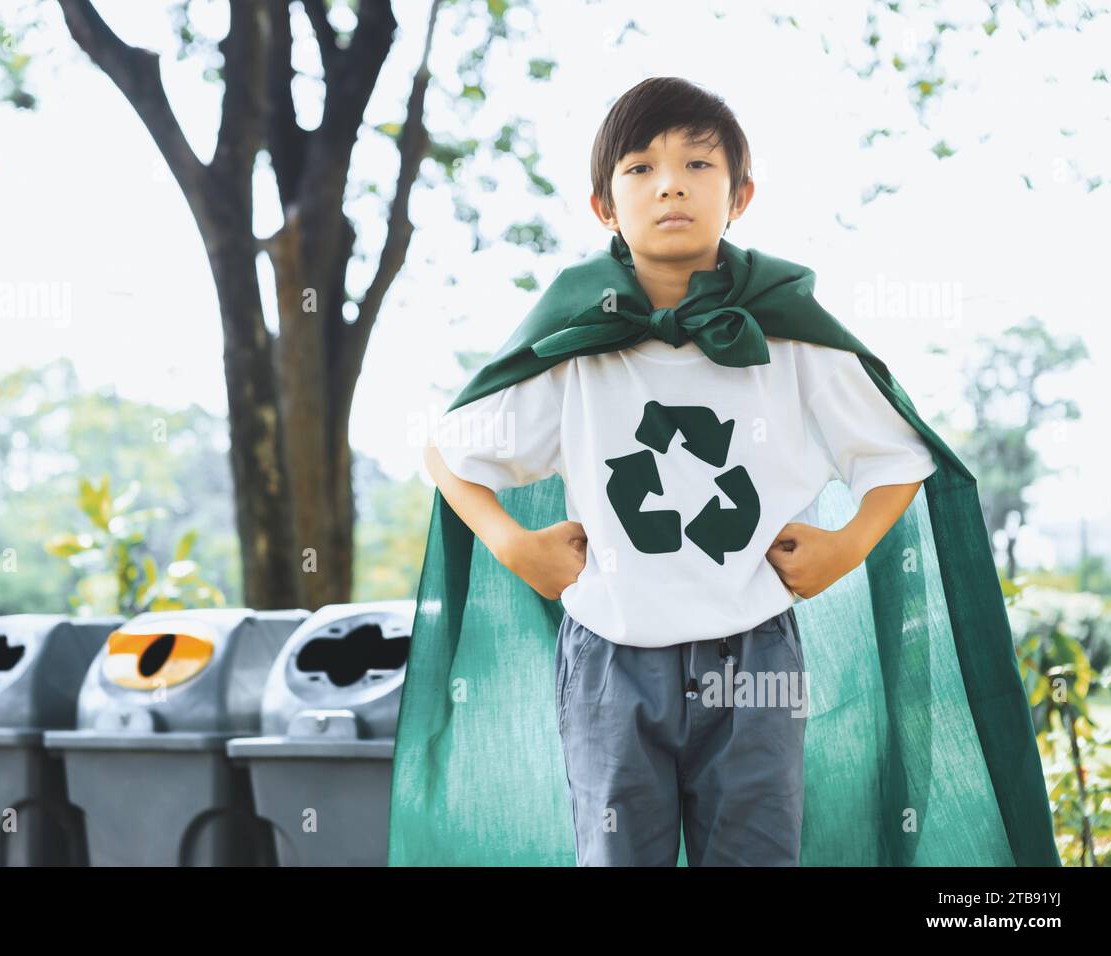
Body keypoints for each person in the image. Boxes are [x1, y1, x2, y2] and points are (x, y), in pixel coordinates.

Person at [392, 76, 1060, 868]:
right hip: (612, 652)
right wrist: (512, 544)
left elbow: (899, 454)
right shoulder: (574, 346)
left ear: (739, 193)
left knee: (756, 858)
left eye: (696, 164)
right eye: (639, 167)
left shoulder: (791, 337)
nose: (669, 181)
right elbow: (451, 449)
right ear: (604, 206)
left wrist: (847, 547)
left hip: (755, 660)